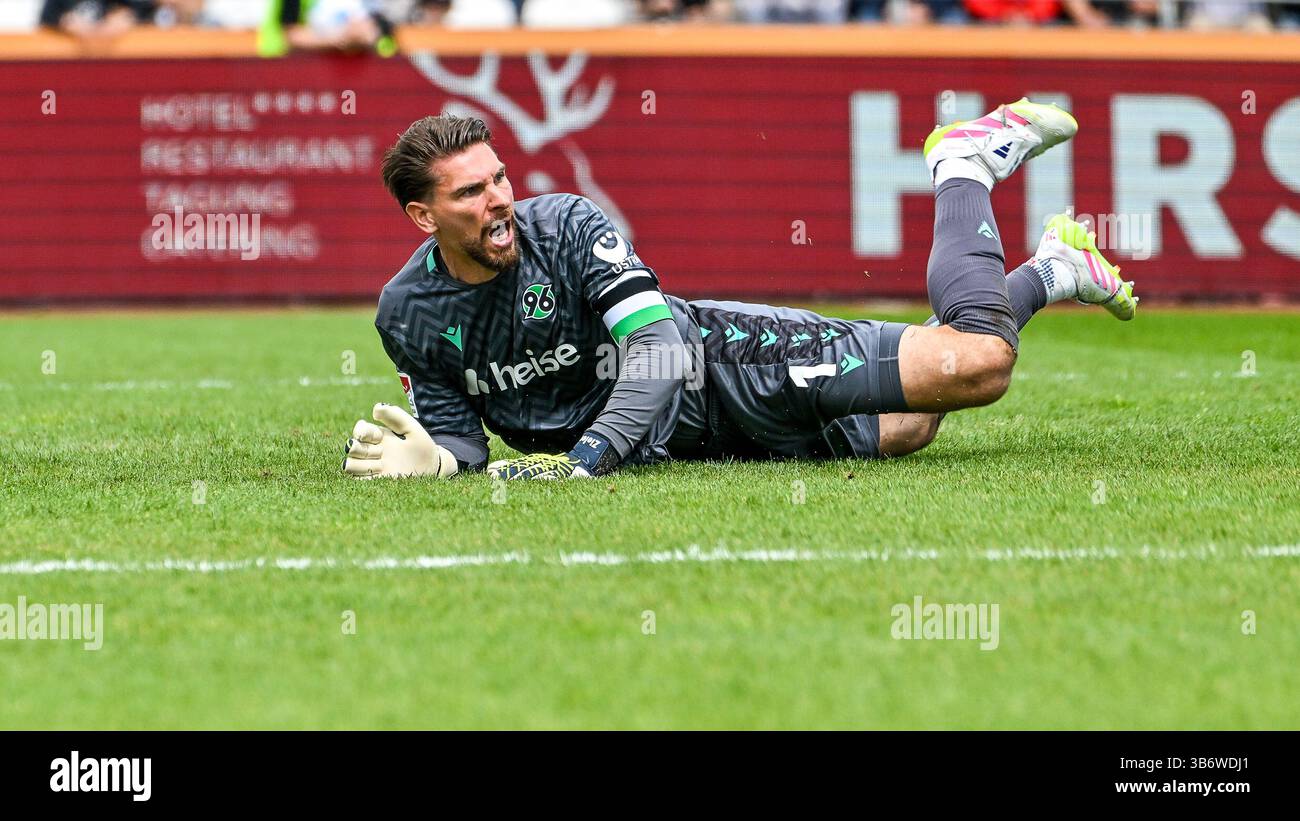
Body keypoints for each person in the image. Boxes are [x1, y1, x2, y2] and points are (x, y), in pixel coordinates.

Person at [341, 106, 1136, 481]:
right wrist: (439, 462)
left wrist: (584, 460)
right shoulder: (407, 313)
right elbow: (467, 446)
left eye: (501, 179)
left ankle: (962, 166)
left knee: (980, 367)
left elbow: (656, 348)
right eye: (471, 193)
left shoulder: (569, 225)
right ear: (422, 216)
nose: (500, 201)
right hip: (688, 441)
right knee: (911, 425)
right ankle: (1054, 270)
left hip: (727, 364)